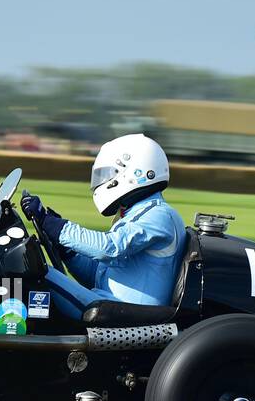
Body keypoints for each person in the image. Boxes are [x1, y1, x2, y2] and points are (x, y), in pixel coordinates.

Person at [20, 133, 185, 321]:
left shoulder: (160, 215)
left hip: (126, 314)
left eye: (108, 174)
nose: (102, 180)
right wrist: (66, 250)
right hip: (110, 304)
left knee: (35, 272)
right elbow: (96, 274)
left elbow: (110, 247)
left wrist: (53, 225)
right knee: (34, 269)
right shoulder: (136, 215)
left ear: (136, 171)